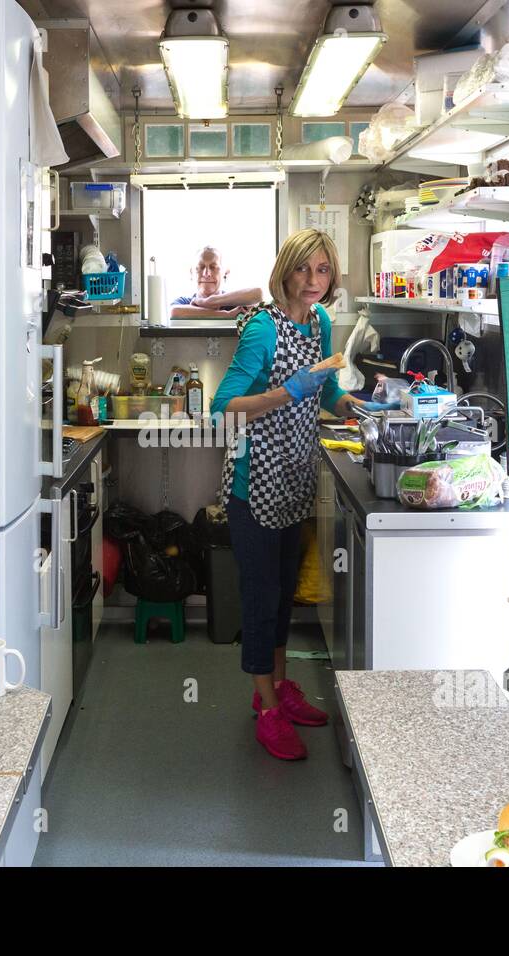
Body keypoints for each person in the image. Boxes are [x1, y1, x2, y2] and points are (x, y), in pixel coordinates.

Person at [209, 228, 395, 761]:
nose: (313, 281)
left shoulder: (319, 323)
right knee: (261, 597)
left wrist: (356, 406)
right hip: (255, 480)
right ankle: (265, 706)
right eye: (303, 270)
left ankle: (280, 688)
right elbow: (224, 406)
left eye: (322, 270)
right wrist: (285, 392)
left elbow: (329, 389)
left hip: (293, 474)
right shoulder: (261, 330)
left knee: (284, 591)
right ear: (284, 273)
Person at [169, 246, 264, 319]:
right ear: (191, 273)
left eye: (213, 267)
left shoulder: (235, 303)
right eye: (201, 267)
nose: (207, 273)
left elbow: (258, 294)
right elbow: (174, 311)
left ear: (225, 272)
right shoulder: (184, 302)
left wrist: (208, 301)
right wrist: (226, 315)